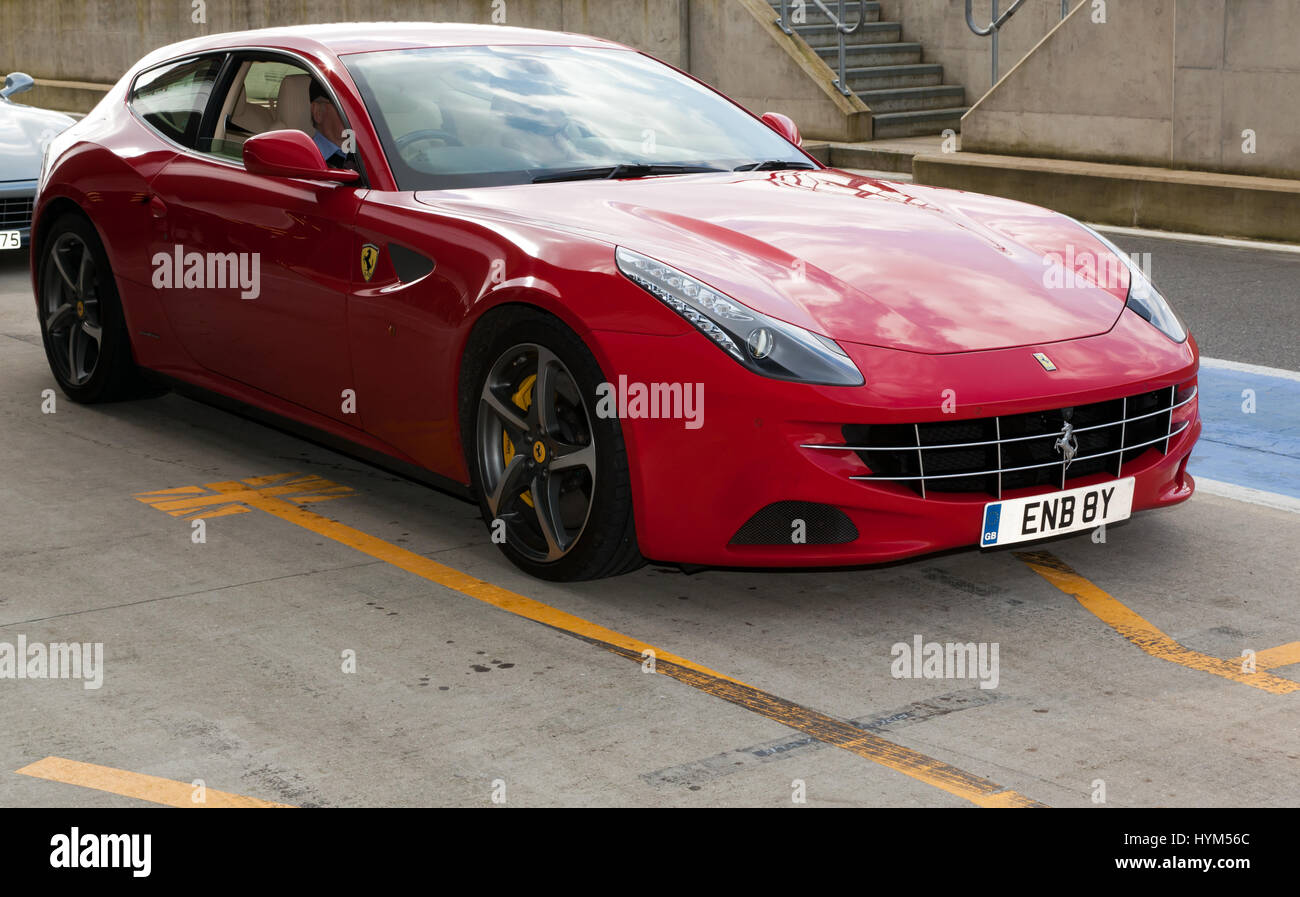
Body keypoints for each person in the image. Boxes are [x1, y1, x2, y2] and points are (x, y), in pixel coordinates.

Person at [308, 80, 359, 172]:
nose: (355, 113)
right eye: (344, 104)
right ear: (317, 112)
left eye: (358, 105)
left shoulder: (374, 156)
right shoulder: (304, 161)